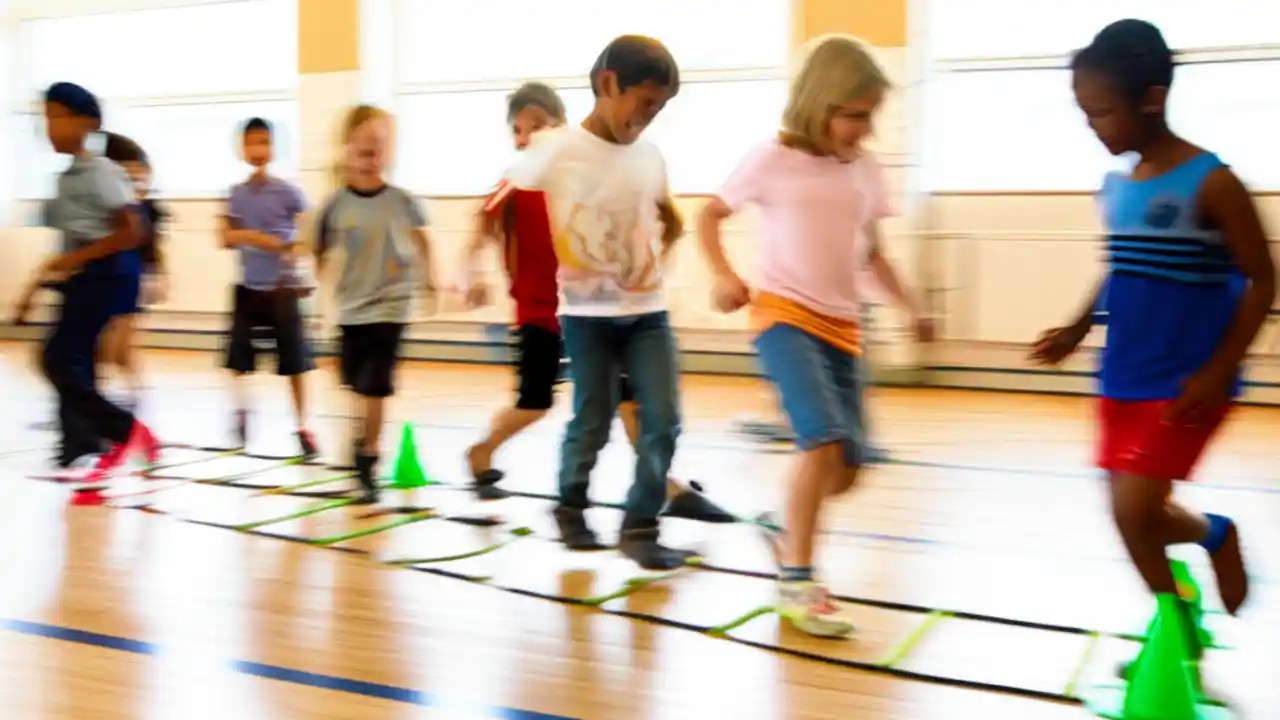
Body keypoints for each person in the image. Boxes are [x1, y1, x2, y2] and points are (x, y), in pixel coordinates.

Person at [1032, 19, 1271, 617]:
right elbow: (1123, 268)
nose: (1094, 127)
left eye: (1104, 112)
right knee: (1136, 518)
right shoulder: (1116, 187)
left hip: (1186, 382)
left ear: (1152, 100)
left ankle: (1181, 628)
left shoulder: (1212, 184)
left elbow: (1264, 280)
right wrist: (1079, 324)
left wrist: (1219, 370)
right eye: (1086, 114)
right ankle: (1211, 547)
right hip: (1122, 376)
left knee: (1132, 509)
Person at [697, 35, 931, 637]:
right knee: (821, 442)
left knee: (847, 468)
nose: (862, 128)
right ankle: (798, 581)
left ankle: (782, 526)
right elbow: (709, 215)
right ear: (818, 102)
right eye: (852, 115)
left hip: (844, 328)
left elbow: (872, 254)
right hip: (784, 317)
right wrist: (725, 274)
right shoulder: (771, 159)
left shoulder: (865, 171)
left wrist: (911, 307)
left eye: (869, 116)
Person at [500, 37, 689, 570]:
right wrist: (472, 263)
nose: (649, 118)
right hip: (586, 318)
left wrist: (655, 257)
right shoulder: (559, 147)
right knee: (594, 416)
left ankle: (640, 522)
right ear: (609, 85)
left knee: (664, 419)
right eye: (645, 103)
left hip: (648, 314)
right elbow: (498, 199)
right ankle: (570, 504)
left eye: (660, 109)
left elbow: (669, 218)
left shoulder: (649, 156)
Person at [462, 81, 697, 505]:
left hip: (594, 312)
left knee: (629, 398)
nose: (525, 138)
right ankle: (481, 451)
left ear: (561, 128)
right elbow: (482, 218)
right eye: (517, 129)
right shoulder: (516, 182)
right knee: (534, 402)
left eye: (536, 127)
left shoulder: (575, 172)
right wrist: (472, 268)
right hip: (538, 314)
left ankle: (661, 482)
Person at [18, 82, 160, 479]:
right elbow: (64, 249)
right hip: (83, 279)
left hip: (108, 276)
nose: (48, 127)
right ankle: (84, 444)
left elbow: (133, 231)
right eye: (44, 118)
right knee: (63, 361)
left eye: (57, 117)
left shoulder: (102, 170)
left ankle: (122, 432)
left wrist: (77, 258)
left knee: (61, 359)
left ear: (87, 123)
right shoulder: (66, 179)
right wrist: (33, 290)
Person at [315, 105, 438, 504]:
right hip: (353, 308)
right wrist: (320, 285)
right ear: (347, 151)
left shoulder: (401, 200)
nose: (372, 160)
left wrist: (430, 281)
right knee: (353, 381)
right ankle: (360, 442)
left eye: (379, 151)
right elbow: (320, 247)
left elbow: (422, 240)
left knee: (375, 386)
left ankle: (368, 457)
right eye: (364, 152)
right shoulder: (337, 205)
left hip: (392, 305)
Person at [219, 117, 318, 459]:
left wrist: (295, 259)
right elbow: (225, 236)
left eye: (264, 142)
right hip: (249, 288)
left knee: (295, 364)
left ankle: (303, 426)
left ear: (273, 147)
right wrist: (253, 237)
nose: (258, 149)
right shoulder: (236, 193)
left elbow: (307, 235)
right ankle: (242, 414)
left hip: (282, 289)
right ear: (242, 148)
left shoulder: (288, 191)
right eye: (251, 142)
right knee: (238, 362)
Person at [98, 132, 160, 411]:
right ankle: (128, 396)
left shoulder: (146, 210)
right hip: (109, 279)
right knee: (115, 351)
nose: (137, 182)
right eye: (129, 176)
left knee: (116, 348)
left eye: (140, 176)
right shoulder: (112, 207)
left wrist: (158, 276)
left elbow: (153, 248)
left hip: (131, 283)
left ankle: (132, 397)